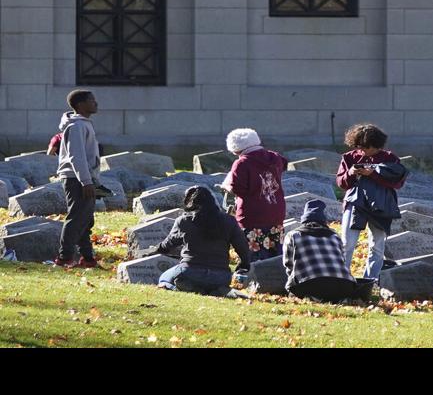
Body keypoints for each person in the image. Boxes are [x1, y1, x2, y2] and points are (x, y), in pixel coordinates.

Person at [146, 185, 253, 296]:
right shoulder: (229, 221)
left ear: (189, 202)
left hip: (189, 272)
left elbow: (168, 245)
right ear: (212, 201)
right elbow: (243, 247)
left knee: (163, 279)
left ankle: (184, 288)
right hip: (221, 276)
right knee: (214, 283)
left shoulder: (184, 221)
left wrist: (154, 250)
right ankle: (216, 290)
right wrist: (244, 265)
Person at [335, 123, 407, 279]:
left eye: (367, 147)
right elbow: (341, 183)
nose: (362, 151)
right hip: (355, 204)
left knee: (377, 246)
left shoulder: (390, 158)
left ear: (377, 145)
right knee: (347, 244)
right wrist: (351, 172)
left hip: (381, 205)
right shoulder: (350, 157)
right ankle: (342, 278)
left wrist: (372, 173)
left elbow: (397, 183)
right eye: (359, 147)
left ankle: (371, 279)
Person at [218, 128, 288, 273]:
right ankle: (275, 277)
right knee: (274, 248)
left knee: (251, 252)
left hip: (252, 214)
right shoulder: (275, 157)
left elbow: (238, 189)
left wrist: (226, 185)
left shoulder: (242, 163)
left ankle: (251, 277)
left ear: (236, 148)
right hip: (276, 210)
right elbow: (284, 165)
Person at [282, 199, 371, 302]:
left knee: (298, 288)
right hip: (344, 285)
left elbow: (288, 265)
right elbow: (342, 261)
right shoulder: (335, 236)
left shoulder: (293, 235)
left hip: (310, 285)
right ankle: (338, 298)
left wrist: (291, 285)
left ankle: (315, 297)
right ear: (324, 220)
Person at [51, 89, 102, 269]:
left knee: (85, 219)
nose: (96, 103)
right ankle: (64, 258)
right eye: (92, 100)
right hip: (77, 178)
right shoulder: (76, 126)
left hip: (85, 177)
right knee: (76, 217)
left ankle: (87, 259)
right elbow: (76, 156)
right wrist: (86, 182)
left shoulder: (84, 124)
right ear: (81, 105)